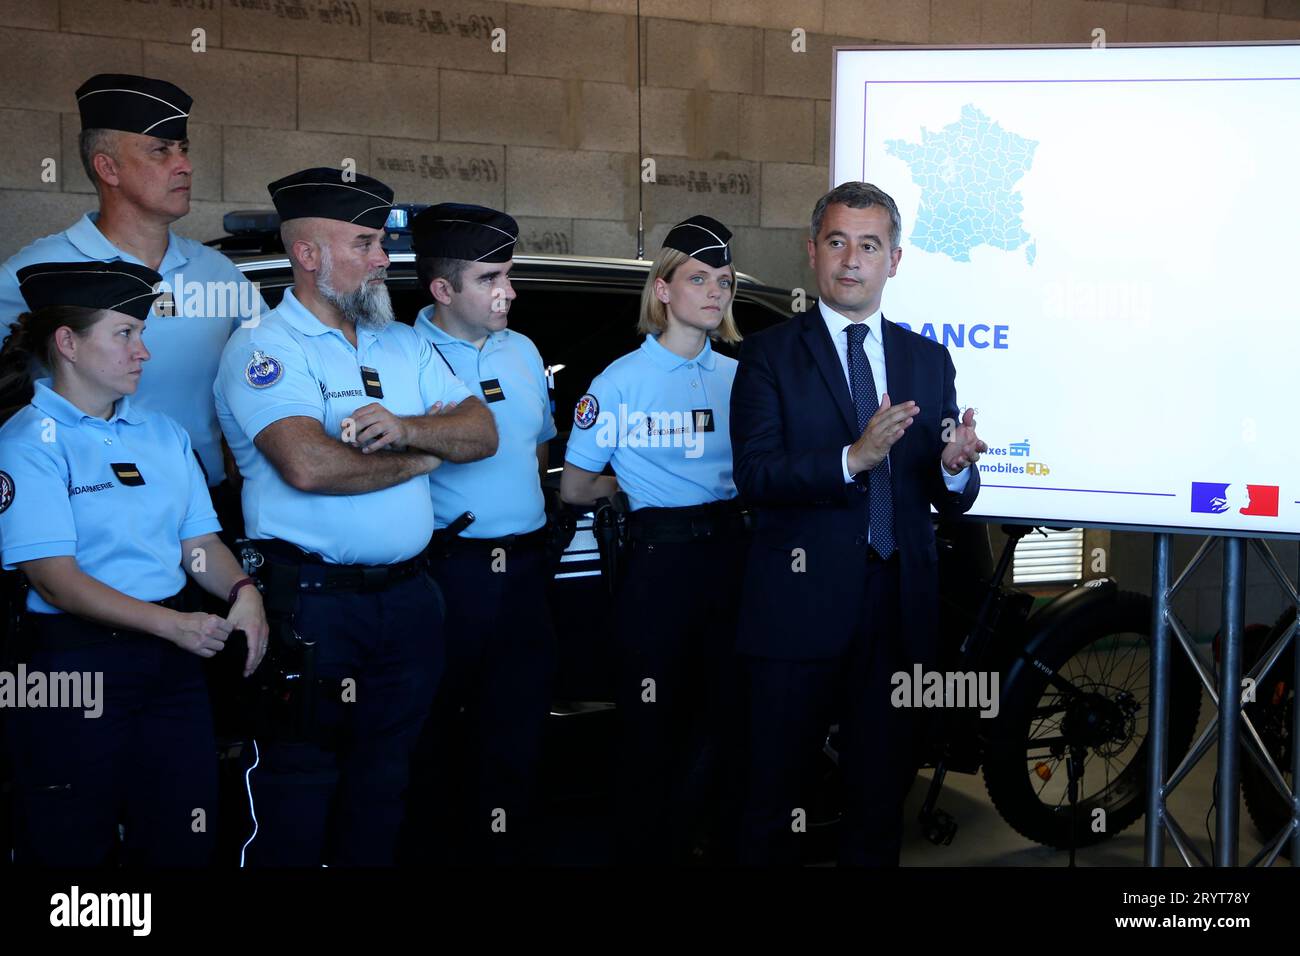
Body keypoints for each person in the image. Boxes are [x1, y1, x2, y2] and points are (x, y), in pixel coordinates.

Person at [213, 168, 498, 866]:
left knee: (383, 784)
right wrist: (423, 457)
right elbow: (309, 465)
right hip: (313, 609)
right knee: (296, 788)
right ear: (309, 255)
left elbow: (481, 432)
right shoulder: (265, 347)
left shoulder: (399, 341)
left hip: (406, 600)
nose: (383, 259)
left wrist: (401, 427)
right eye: (367, 243)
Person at [729, 181, 986, 866]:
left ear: (893, 260)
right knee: (772, 796)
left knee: (880, 799)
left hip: (898, 612)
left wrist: (955, 467)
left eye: (869, 245)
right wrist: (853, 458)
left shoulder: (926, 360)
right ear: (813, 253)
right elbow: (756, 475)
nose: (851, 260)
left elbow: (944, 492)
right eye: (837, 241)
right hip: (797, 607)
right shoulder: (767, 355)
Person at [0, 261, 269, 867]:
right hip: (73, 664)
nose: (143, 352)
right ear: (67, 343)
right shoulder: (26, 442)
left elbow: (196, 544)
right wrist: (170, 624)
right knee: (70, 840)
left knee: (182, 828)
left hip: (170, 659)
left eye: (141, 334)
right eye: (125, 334)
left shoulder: (161, 433)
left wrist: (242, 591)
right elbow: (56, 580)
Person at [0, 73, 265, 536]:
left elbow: (267, 378)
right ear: (108, 169)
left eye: (183, 148)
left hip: (202, 515)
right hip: (79, 519)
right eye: (161, 150)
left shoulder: (219, 274)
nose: (183, 165)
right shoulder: (36, 271)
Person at [561, 215, 749, 863]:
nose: (715, 292)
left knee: (725, 715)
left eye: (723, 281)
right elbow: (577, 486)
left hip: (730, 554)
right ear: (663, 289)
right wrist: (637, 492)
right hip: (658, 559)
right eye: (698, 278)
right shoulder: (619, 382)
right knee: (651, 720)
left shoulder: (740, 376)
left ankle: (700, 840)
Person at [404, 203, 558, 864]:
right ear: (442, 290)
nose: (510, 291)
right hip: (449, 571)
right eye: (492, 277)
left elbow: (540, 449)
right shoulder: (400, 355)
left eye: (510, 273)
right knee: (433, 734)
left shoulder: (522, 349)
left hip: (526, 567)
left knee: (517, 729)